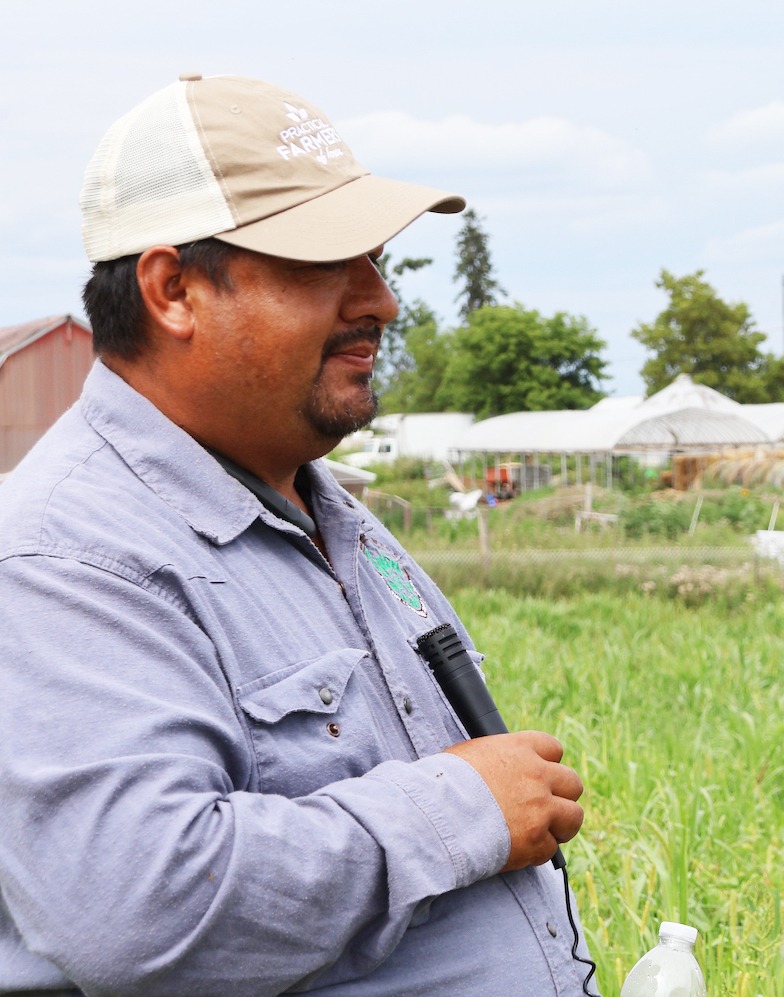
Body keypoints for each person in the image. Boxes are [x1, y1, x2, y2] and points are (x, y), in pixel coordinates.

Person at [0, 74, 593, 995]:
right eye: (327, 262)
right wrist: (460, 809)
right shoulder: (66, 557)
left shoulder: (322, 509)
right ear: (173, 291)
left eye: (378, 259)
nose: (381, 300)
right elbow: (136, 905)